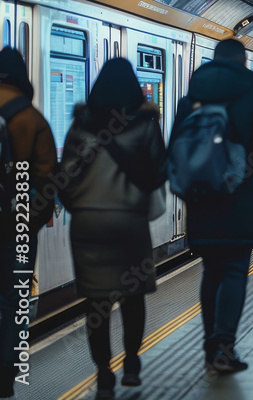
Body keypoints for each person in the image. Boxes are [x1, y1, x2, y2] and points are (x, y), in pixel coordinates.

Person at [170, 39, 253, 373]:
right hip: (239, 197)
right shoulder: (249, 96)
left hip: (201, 201)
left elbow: (175, 149)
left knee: (212, 271)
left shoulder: (191, 100)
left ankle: (209, 347)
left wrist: (187, 191)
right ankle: (224, 348)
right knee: (234, 270)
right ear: (243, 63)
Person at [57, 59, 167, 399]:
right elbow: (159, 173)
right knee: (132, 299)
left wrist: (81, 207)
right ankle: (131, 363)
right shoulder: (146, 124)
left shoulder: (81, 125)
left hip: (89, 226)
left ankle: (104, 373)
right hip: (129, 223)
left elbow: (64, 180)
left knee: (97, 304)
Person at [0, 47, 56, 398]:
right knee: (15, 301)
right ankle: (6, 378)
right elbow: (48, 181)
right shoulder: (32, 120)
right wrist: (30, 223)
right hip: (16, 230)